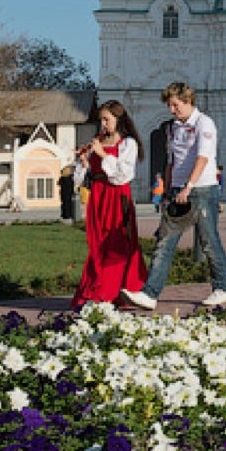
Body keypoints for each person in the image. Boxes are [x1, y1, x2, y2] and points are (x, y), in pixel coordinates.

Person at [123, 81, 226, 310]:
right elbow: (172, 161)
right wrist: (168, 191)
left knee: (209, 241)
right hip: (178, 190)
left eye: (175, 105)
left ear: (187, 100)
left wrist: (188, 187)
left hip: (202, 190)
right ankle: (149, 294)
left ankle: (221, 288)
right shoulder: (173, 127)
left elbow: (202, 158)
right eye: (170, 106)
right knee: (164, 241)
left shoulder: (205, 124)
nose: (171, 110)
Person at [72, 101, 147, 308]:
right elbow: (82, 178)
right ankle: (95, 289)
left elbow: (123, 175)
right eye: (101, 120)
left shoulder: (127, 143)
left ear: (118, 119)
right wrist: (84, 161)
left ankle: (112, 292)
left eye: (107, 119)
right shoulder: (97, 140)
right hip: (99, 195)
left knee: (117, 242)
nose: (103, 124)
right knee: (97, 243)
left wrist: (103, 154)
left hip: (117, 196)